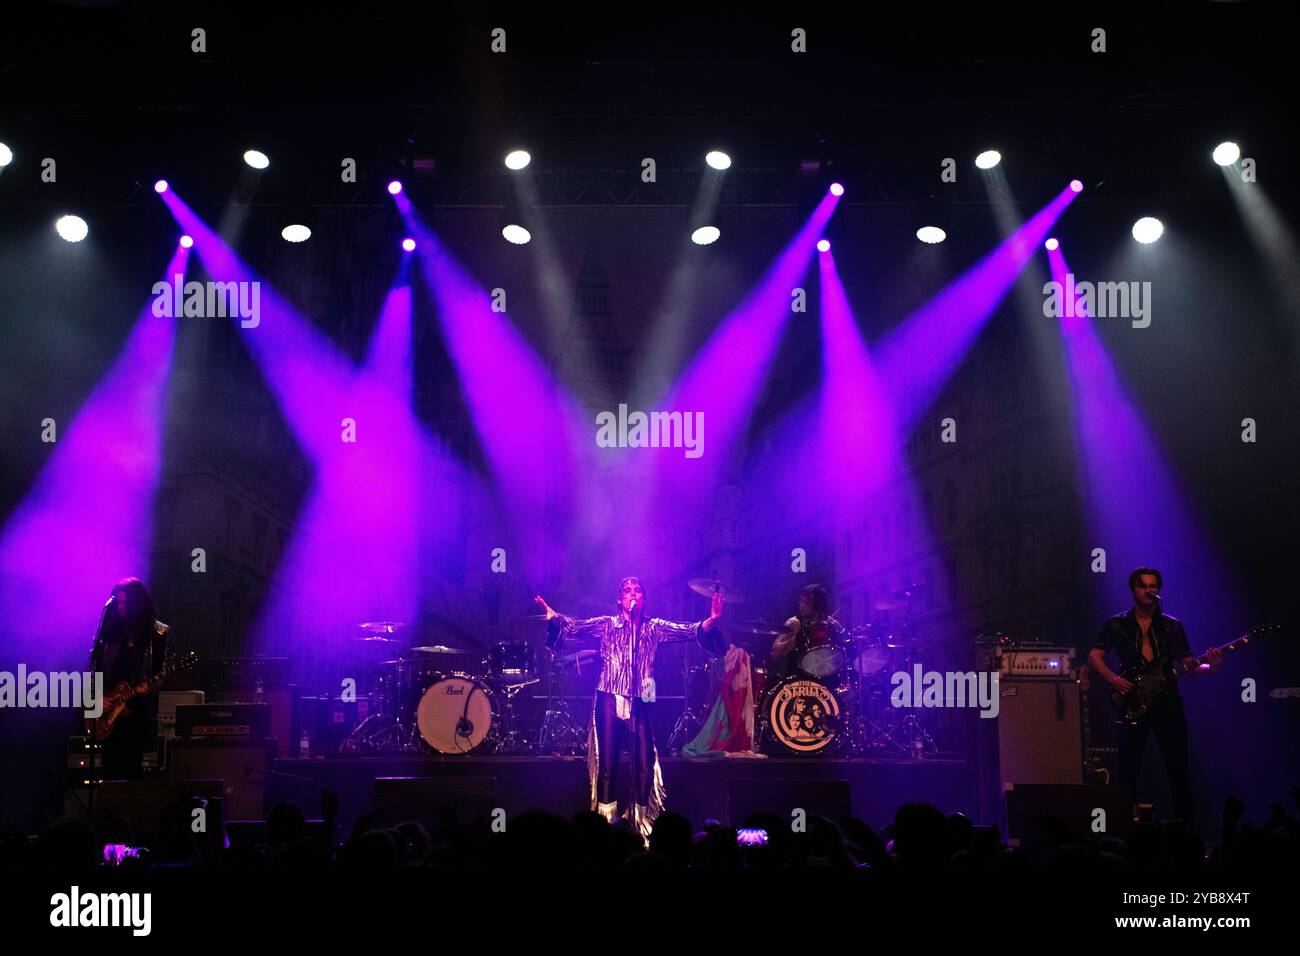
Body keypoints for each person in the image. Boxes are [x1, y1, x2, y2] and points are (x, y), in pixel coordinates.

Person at [534, 577, 724, 840]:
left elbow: (689, 630)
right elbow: (576, 626)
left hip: (643, 695)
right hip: (609, 694)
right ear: (619, 599)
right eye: (627, 591)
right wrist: (553, 615)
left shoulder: (654, 627)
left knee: (644, 761)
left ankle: (641, 823)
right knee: (607, 763)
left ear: (643, 598)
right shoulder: (606, 625)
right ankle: (604, 825)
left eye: (637, 590)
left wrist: (711, 620)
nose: (632, 594)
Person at [1087, 567, 1221, 822]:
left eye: (1154, 586)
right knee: (1129, 768)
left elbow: (1187, 664)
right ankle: (1123, 828)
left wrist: (1209, 666)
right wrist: (1114, 680)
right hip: (1131, 699)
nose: (1150, 591)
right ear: (1133, 590)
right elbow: (1095, 656)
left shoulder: (1172, 626)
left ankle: (1185, 829)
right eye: (1144, 586)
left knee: (1178, 765)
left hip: (1167, 699)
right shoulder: (1117, 624)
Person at [89, 577, 171, 779]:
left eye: (126, 603)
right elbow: (95, 669)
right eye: (119, 603)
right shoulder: (110, 632)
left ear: (138, 604)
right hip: (109, 711)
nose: (121, 607)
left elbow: (164, 670)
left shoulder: (158, 633)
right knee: (109, 771)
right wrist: (98, 698)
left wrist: (149, 687)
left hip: (138, 712)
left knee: (130, 771)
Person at [769, 583, 846, 678]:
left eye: (807, 603)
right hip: (797, 679)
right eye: (801, 601)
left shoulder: (832, 625)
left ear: (819, 606)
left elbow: (844, 655)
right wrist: (795, 639)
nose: (801, 606)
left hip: (826, 678)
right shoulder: (794, 623)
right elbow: (774, 653)